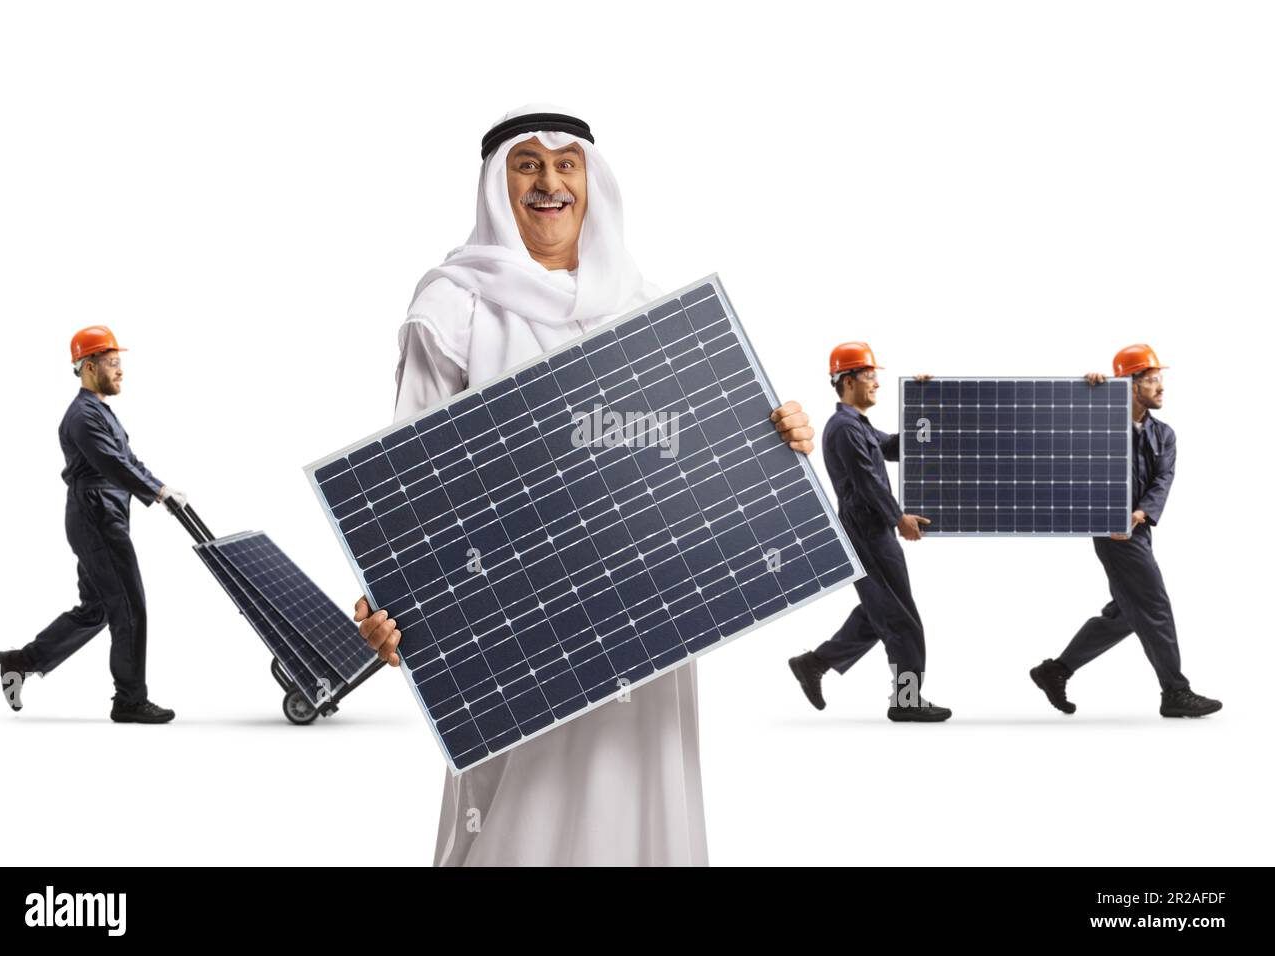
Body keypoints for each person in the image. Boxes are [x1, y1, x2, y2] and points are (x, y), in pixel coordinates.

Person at [354, 104, 816, 865]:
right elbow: (405, 481)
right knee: (515, 813)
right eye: (526, 164)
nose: (548, 182)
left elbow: (701, 471)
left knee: (637, 798)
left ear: (591, 183)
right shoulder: (453, 308)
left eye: (566, 165)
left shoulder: (653, 310)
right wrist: (384, 597)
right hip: (510, 620)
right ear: (496, 185)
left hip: (646, 615)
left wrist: (775, 440)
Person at [0, 327, 184, 722]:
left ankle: (19, 662)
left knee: (97, 608)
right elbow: (112, 465)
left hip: (104, 512)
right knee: (129, 606)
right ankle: (129, 700)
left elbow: (129, 460)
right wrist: (159, 493)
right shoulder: (82, 416)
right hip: (95, 514)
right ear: (89, 366)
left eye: (120, 364)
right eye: (113, 364)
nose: (121, 372)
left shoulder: (101, 411)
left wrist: (161, 488)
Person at [1030, 344, 1221, 718]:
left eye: (1159, 378)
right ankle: (1175, 692)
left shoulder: (1164, 434)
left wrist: (1141, 514)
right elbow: (1066, 441)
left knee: (1127, 613)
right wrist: (1089, 396)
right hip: (1111, 531)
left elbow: (1162, 480)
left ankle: (1055, 670)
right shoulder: (1100, 421)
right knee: (1154, 606)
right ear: (1129, 385)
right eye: (1150, 379)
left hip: (1138, 529)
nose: (1160, 386)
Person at [787, 344, 951, 721]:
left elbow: (892, 447)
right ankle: (906, 701)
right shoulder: (844, 429)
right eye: (869, 375)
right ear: (847, 381)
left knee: (880, 610)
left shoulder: (856, 424)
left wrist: (924, 405)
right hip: (868, 531)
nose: (877, 382)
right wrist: (898, 518)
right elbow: (866, 482)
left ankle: (814, 662)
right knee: (901, 619)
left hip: (871, 530)